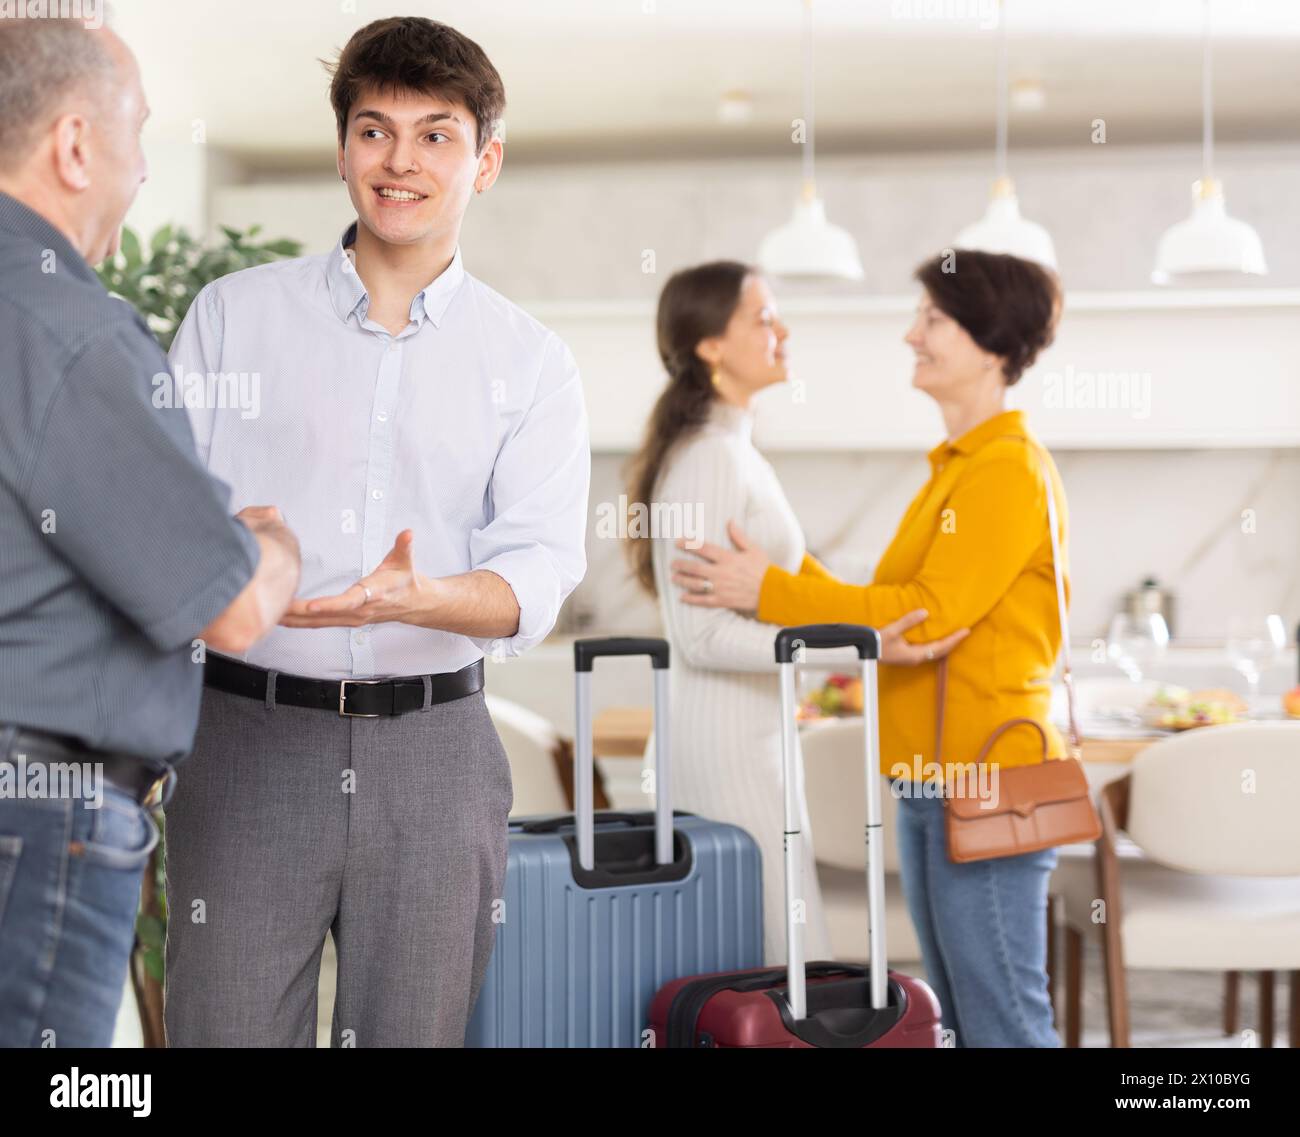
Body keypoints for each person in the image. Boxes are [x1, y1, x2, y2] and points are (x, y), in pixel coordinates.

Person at [162, 16, 590, 1048]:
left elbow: (537, 567)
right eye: (373, 130)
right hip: (246, 740)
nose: (400, 162)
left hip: (436, 756)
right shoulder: (232, 317)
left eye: (435, 135)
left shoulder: (530, 363)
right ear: (343, 148)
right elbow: (166, 520)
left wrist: (426, 597)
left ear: (484, 160)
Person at [670, 250, 1068, 1046]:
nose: (910, 335)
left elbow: (922, 617)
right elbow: (888, 605)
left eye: (933, 320)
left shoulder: (1004, 470)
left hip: (982, 774)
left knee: (1005, 1022)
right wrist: (779, 570)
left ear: (989, 344)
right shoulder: (954, 471)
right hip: (934, 777)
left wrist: (772, 590)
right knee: (968, 1015)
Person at [0, 15, 300, 1048]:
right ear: (76, 146)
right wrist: (271, 541)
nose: (140, 173)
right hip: (36, 821)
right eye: (138, 135)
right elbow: (234, 608)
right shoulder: (65, 328)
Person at [627, 261, 966, 966]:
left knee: (766, 961)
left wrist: (863, 631)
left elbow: (771, 594)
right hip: (728, 752)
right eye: (763, 317)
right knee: (780, 963)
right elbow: (702, 634)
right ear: (711, 346)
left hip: (746, 738)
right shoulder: (710, 458)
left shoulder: (732, 450)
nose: (782, 330)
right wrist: (859, 647)